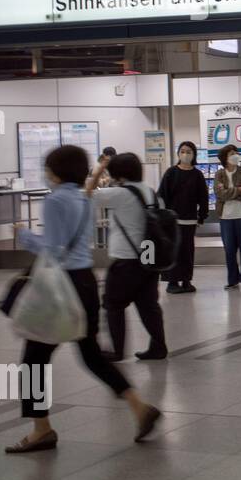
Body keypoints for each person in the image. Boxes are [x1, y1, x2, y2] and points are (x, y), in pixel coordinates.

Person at [7, 145, 160, 453]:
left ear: (57, 171)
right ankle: (139, 406)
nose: (46, 173)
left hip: (59, 288)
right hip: (86, 282)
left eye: (49, 168)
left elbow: (51, 248)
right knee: (90, 353)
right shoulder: (83, 198)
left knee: (33, 361)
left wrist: (23, 234)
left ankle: (42, 429)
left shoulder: (55, 201)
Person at [86, 152, 167, 361]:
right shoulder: (149, 192)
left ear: (119, 174)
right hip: (149, 258)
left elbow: (88, 193)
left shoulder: (120, 194)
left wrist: (99, 169)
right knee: (149, 305)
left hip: (126, 260)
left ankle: (117, 350)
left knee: (113, 305)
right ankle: (159, 346)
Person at [157, 140, 207, 294]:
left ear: (194, 155)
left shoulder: (197, 175)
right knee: (173, 251)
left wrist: (202, 216)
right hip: (172, 220)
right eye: (183, 151)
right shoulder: (171, 172)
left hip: (190, 220)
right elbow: (162, 195)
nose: (185, 154)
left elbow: (203, 197)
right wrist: (162, 215)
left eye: (189, 152)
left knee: (187, 252)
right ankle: (172, 282)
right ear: (178, 153)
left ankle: (186, 281)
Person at [214, 144, 241, 289]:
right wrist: (239, 190)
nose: (235, 155)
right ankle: (232, 280)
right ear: (225, 157)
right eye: (231, 153)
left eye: (236, 153)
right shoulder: (219, 174)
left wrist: (230, 192)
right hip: (226, 217)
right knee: (229, 250)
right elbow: (219, 195)